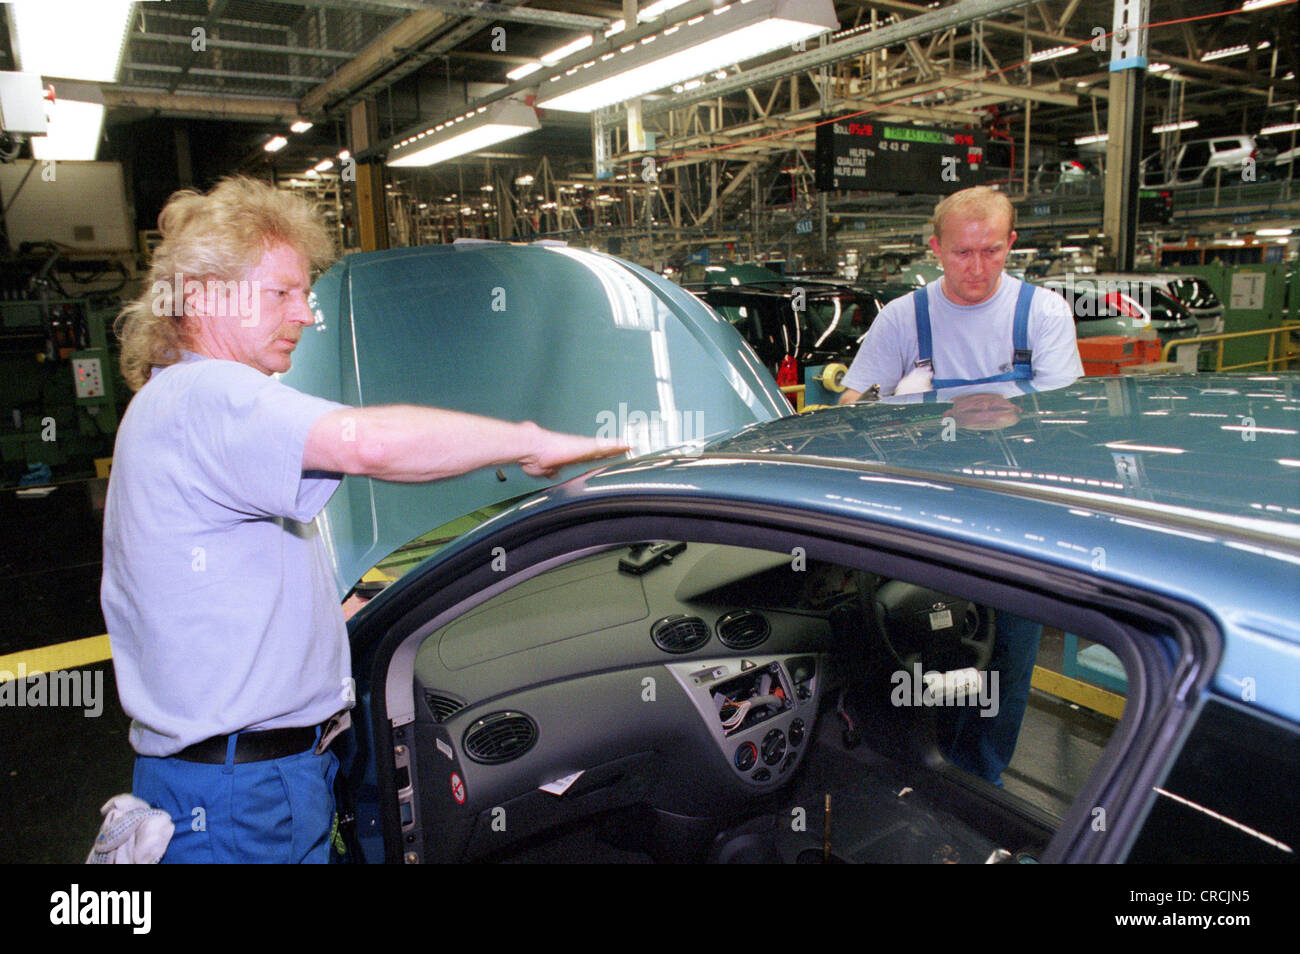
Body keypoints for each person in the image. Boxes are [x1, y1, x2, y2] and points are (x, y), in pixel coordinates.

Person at [101, 176, 625, 863]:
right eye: (281, 293)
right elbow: (368, 444)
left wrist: (346, 608)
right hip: (241, 796)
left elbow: (237, 579)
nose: (305, 313)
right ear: (200, 295)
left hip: (237, 779)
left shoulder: (176, 405)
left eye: (306, 294)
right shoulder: (209, 393)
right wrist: (529, 443)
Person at [838, 186, 1082, 403]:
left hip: (1019, 453)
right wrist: (879, 408)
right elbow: (853, 403)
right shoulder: (901, 318)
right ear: (937, 248)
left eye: (991, 251)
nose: (977, 269)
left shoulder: (1045, 311)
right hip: (931, 451)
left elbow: (1061, 407)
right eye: (963, 252)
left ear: (1010, 243)